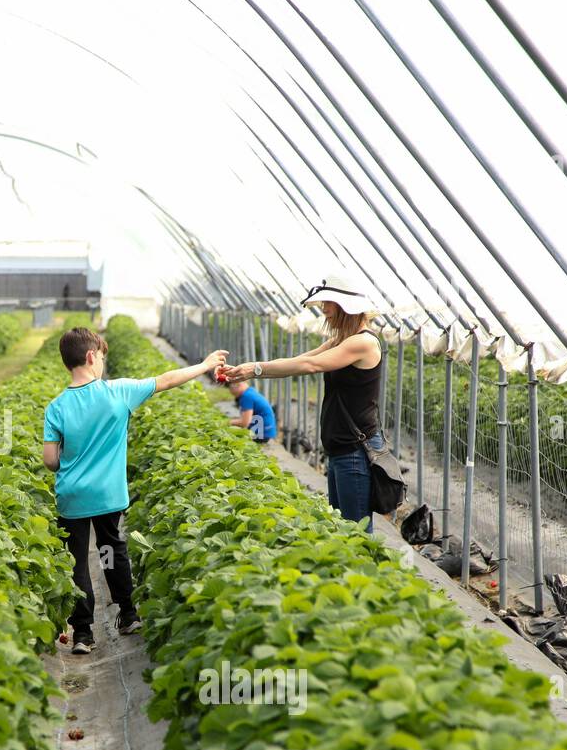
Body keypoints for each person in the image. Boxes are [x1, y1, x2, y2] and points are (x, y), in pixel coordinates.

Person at [43, 326, 228, 654]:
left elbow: (50, 460)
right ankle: (127, 614)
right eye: (101, 356)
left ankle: (83, 634)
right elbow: (167, 379)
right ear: (90, 357)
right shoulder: (119, 392)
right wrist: (204, 365)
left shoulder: (56, 407)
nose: (102, 362)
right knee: (110, 549)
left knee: (76, 560)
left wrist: (68, 459)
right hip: (108, 495)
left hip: (72, 496)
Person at [222, 274, 384, 532]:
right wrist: (248, 370)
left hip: (355, 449)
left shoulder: (362, 342)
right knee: (341, 528)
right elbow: (299, 360)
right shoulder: (341, 340)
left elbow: (311, 365)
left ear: (346, 306)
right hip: (340, 447)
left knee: (355, 534)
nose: (324, 310)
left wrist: (255, 370)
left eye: (328, 302)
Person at [226, 378, 277, 444]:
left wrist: (227, 422)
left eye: (230, 388)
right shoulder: (250, 391)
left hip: (261, 435)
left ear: (237, 385)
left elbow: (245, 423)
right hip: (266, 432)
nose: (231, 391)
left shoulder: (246, 396)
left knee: (228, 437)